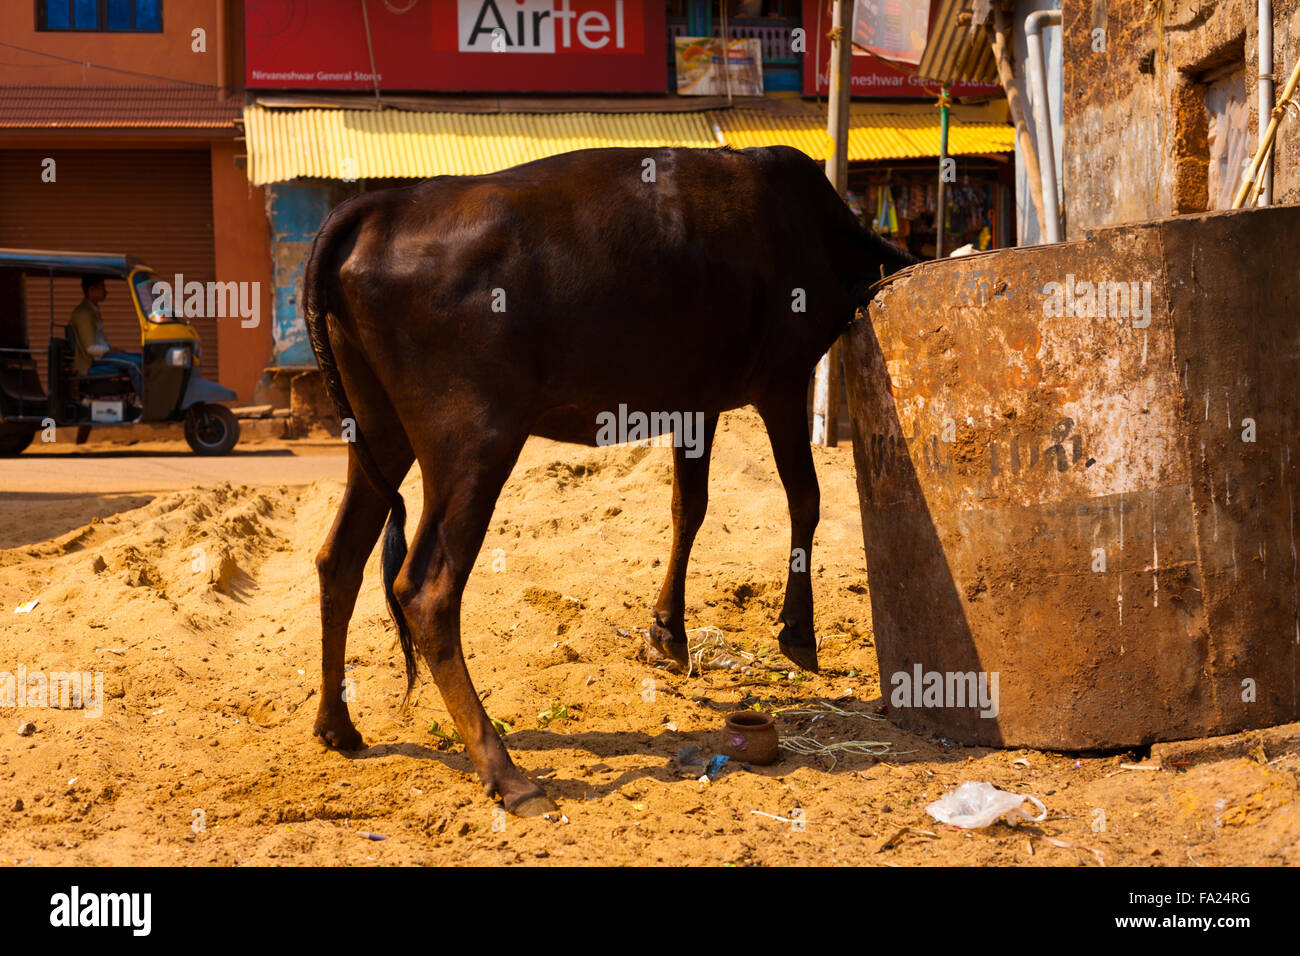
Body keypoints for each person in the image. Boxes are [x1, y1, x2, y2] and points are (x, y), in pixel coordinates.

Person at [69, 275, 143, 396]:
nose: (106, 291)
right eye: (102, 287)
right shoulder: (84, 314)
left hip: (102, 356)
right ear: (91, 290)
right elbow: (91, 349)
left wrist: (113, 350)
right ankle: (148, 406)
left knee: (143, 358)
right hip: (93, 361)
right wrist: (110, 350)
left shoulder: (92, 310)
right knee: (136, 364)